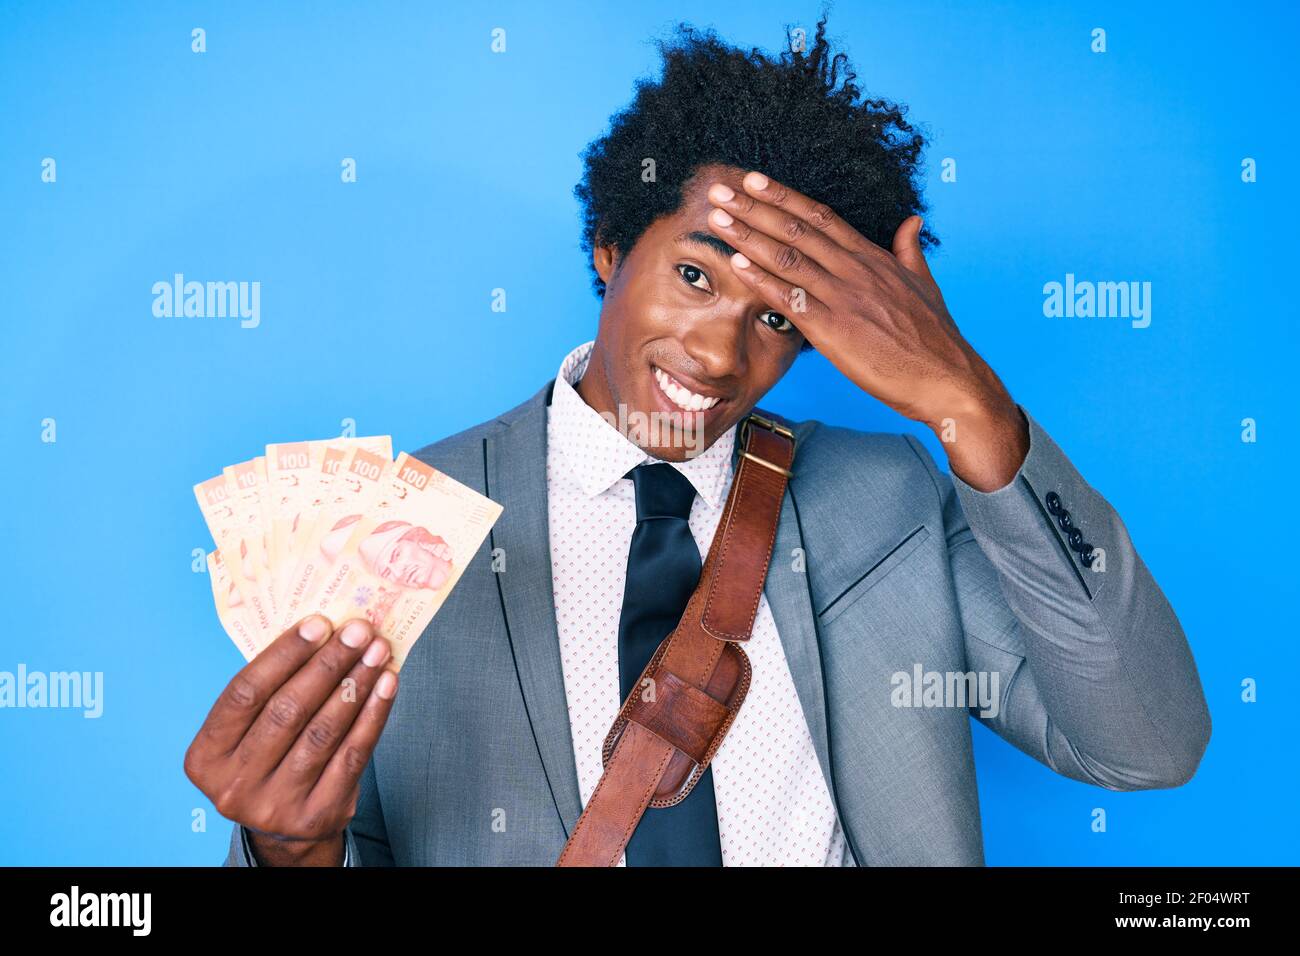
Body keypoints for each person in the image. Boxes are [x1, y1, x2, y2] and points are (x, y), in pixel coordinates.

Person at [184, 16, 1210, 867]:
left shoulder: (889, 502)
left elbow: (1146, 744)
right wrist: (285, 852)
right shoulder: (400, 529)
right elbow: (321, 832)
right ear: (611, 244)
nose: (719, 352)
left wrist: (969, 404)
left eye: (778, 318)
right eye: (695, 274)